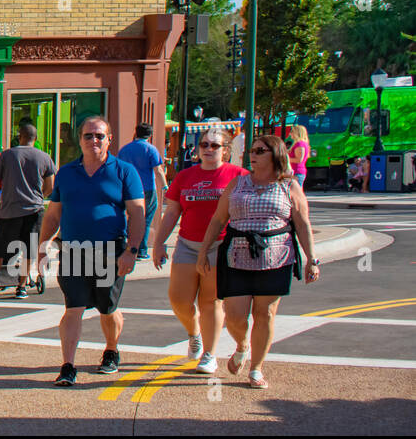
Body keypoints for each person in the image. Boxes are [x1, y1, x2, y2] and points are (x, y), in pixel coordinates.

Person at [197, 134, 321, 389]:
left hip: (276, 258)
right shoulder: (237, 184)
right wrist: (203, 251)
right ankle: (242, 346)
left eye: (260, 151)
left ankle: (256, 369)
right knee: (234, 316)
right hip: (236, 257)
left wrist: (311, 259)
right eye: (252, 150)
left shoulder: (289, 186)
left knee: (264, 314)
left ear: (275, 155)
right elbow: (218, 219)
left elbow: (302, 223)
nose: (253, 155)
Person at [39, 116, 145, 386]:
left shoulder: (124, 171)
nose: (94, 140)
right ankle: (67, 366)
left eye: (100, 136)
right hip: (74, 250)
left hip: (110, 251)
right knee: (73, 307)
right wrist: (42, 246)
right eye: (88, 136)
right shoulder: (66, 173)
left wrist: (131, 250)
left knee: (107, 308)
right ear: (80, 140)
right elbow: (53, 214)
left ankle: (111, 350)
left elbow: (137, 213)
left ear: (110, 139)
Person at [153, 127, 247, 374]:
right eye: (204, 144)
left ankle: (209, 353)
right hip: (187, 244)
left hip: (220, 246)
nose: (208, 149)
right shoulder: (185, 177)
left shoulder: (238, 176)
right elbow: (172, 211)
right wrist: (159, 242)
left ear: (225, 150)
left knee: (210, 301)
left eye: (214, 145)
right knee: (179, 299)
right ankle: (193, 334)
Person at [0, 122, 55, 298]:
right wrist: (38, 198)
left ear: (19, 137)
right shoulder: (45, 157)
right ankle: (21, 287)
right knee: (28, 250)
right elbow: (50, 187)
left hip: (9, 211)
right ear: (35, 138)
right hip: (34, 211)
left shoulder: (7, 155)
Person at [118, 123, 167, 261]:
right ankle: (141, 250)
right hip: (147, 189)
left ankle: (126, 245)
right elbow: (158, 170)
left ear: (136, 132)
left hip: (127, 188)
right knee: (145, 219)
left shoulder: (124, 150)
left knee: (128, 217)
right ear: (150, 135)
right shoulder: (151, 149)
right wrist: (165, 187)